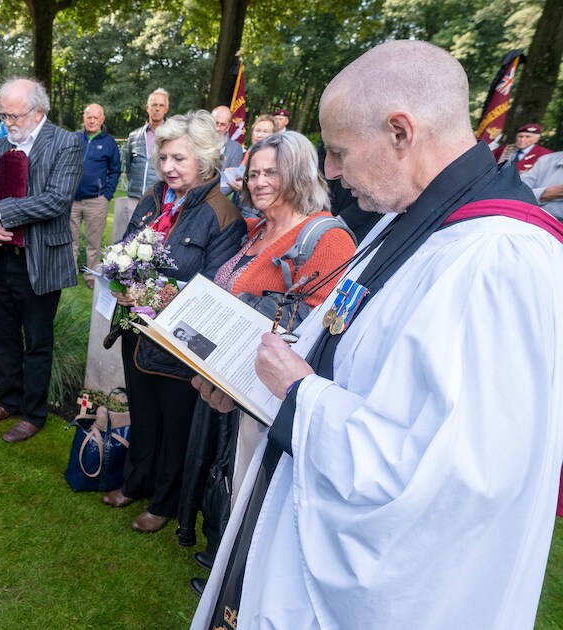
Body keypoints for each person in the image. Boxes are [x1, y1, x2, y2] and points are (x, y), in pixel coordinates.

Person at [192, 40, 563, 630]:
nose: (330, 172)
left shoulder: (500, 259)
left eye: (337, 152)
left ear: (400, 132)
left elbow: (459, 480)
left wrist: (299, 397)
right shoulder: (404, 221)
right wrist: (251, 384)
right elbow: (342, 350)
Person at [184, 130, 355, 595]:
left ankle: (242, 589)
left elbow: (323, 328)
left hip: (272, 391)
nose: (257, 182)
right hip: (236, 376)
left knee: (256, 488)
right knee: (231, 475)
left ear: (298, 173)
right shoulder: (260, 228)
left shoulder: (326, 236)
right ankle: (226, 558)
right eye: (253, 173)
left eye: (269, 173)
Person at [100, 110, 246, 532]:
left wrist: (148, 293)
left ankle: (163, 503)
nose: (168, 167)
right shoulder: (151, 200)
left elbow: (214, 289)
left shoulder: (223, 214)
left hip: (180, 342)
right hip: (136, 331)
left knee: (174, 423)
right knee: (143, 412)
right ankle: (134, 482)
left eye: (179, 159)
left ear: (204, 159)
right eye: (164, 158)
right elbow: (125, 248)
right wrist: (122, 278)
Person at [0, 78, 82, 443]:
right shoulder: (1, 145)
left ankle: (33, 414)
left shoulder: (65, 143)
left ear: (38, 112)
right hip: (0, 257)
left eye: (13, 115)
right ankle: (9, 401)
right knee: (1, 337)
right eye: (3, 114)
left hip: (39, 260)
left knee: (37, 340)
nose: (8, 122)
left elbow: (56, 200)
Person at [71, 103, 122, 288]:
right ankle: (69, 275)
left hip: (96, 201)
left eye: (95, 117)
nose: (91, 120)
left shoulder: (109, 143)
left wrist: (106, 195)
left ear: (102, 119)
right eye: (88, 117)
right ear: (84, 118)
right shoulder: (74, 138)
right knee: (70, 241)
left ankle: (91, 277)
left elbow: (115, 171)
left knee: (93, 243)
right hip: (72, 201)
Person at [119, 88, 170, 238]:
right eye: (154, 105)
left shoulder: (171, 135)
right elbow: (129, 167)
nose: (157, 109)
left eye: (161, 105)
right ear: (148, 108)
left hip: (158, 200)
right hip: (134, 198)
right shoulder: (134, 136)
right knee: (129, 241)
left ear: (166, 109)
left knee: (153, 245)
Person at [521, 149, 563, 219]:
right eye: (521, 137)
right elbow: (516, 192)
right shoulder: (546, 161)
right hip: (534, 221)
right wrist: (546, 193)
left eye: (527, 137)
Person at [212, 105, 245, 195]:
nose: (217, 128)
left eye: (222, 125)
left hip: (215, 197)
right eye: (215, 123)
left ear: (228, 126)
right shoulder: (197, 141)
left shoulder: (235, 149)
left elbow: (231, 182)